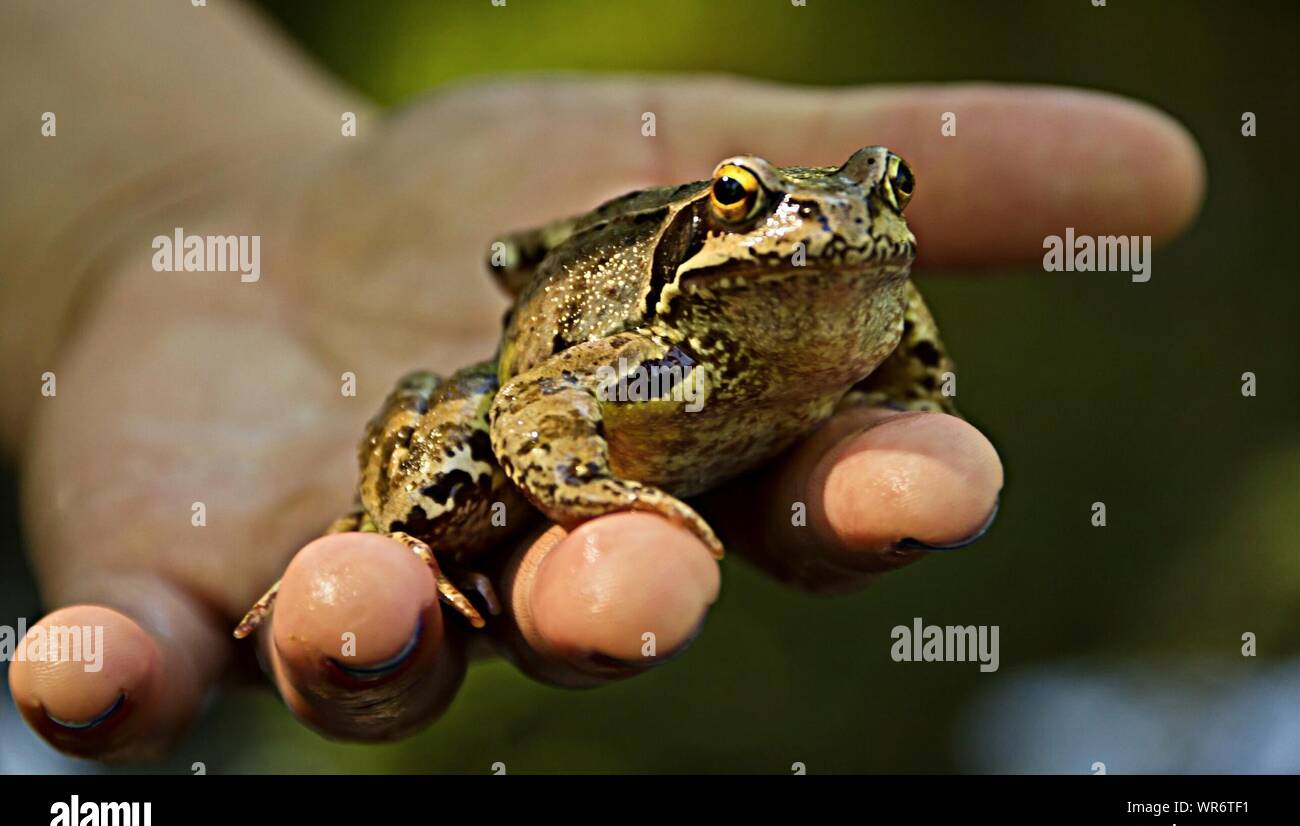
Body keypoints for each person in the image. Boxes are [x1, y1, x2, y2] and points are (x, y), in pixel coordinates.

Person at [0, 0, 1202, 760]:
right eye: (742, 204)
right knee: (443, 492)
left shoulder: (868, 291)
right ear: (711, 220)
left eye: (881, 192)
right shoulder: (658, 350)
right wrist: (601, 497)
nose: (832, 224)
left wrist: (919, 390)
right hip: (554, 347)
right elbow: (531, 410)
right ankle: (384, 530)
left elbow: (907, 329)